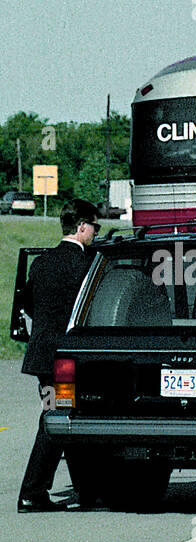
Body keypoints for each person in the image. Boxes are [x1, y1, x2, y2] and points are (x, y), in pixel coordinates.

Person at [18, 199, 99, 513]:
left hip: (43, 358)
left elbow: (28, 306)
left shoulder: (42, 262)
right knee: (58, 418)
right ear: (81, 227)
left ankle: (86, 490)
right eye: (95, 226)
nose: (95, 232)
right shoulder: (85, 265)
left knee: (64, 416)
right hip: (66, 359)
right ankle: (32, 491)